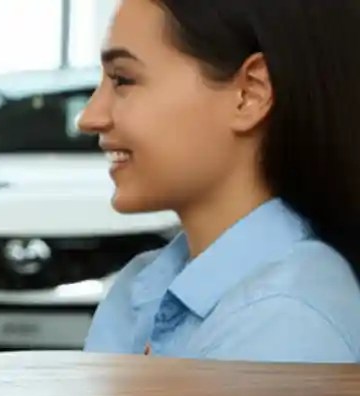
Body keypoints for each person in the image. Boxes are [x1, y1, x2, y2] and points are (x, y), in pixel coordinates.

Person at [79, 0, 360, 363]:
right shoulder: (142, 284)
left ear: (250, 93)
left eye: (123, 80)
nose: (89, 117)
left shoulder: (285, 321)